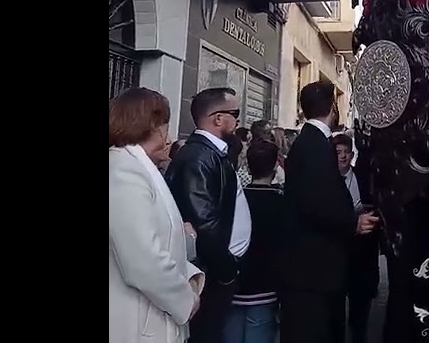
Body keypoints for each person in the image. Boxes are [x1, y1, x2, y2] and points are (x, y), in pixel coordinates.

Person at [281, 83, 379, 343]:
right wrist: (352, 222)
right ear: (333, 107)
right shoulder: (314, 145)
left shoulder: (311, 142)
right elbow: (318, 202)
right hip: (315, 266)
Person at [109, 87, 204, 343]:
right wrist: (186, 299)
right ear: (152, 125)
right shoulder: (124, 171)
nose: (168, 136)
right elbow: (142, 260)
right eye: (165, 126)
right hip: (135, 323)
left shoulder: (136, 167)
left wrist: (188, 276)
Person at [167, 88, 253, 343]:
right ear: (217, 118)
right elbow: (204, 223)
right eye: (235, 113)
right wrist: (226, 271)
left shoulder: (213, 154)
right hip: (210, 275)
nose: (238, 120)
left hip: (216, 274)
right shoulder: (198, 157)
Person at [227, 138, 292, 343]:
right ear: (275, 167)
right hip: (266, 286)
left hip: (234, 283)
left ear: (248, 166)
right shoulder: (281, 201)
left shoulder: (235, 199)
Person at [335, 135, 380, 343]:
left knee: (360, 310)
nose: (343, 156)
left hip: (362, 255)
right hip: (337, 254)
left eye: (346, 152)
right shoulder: (327, 183)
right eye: (338, 152)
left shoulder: (363, 179)